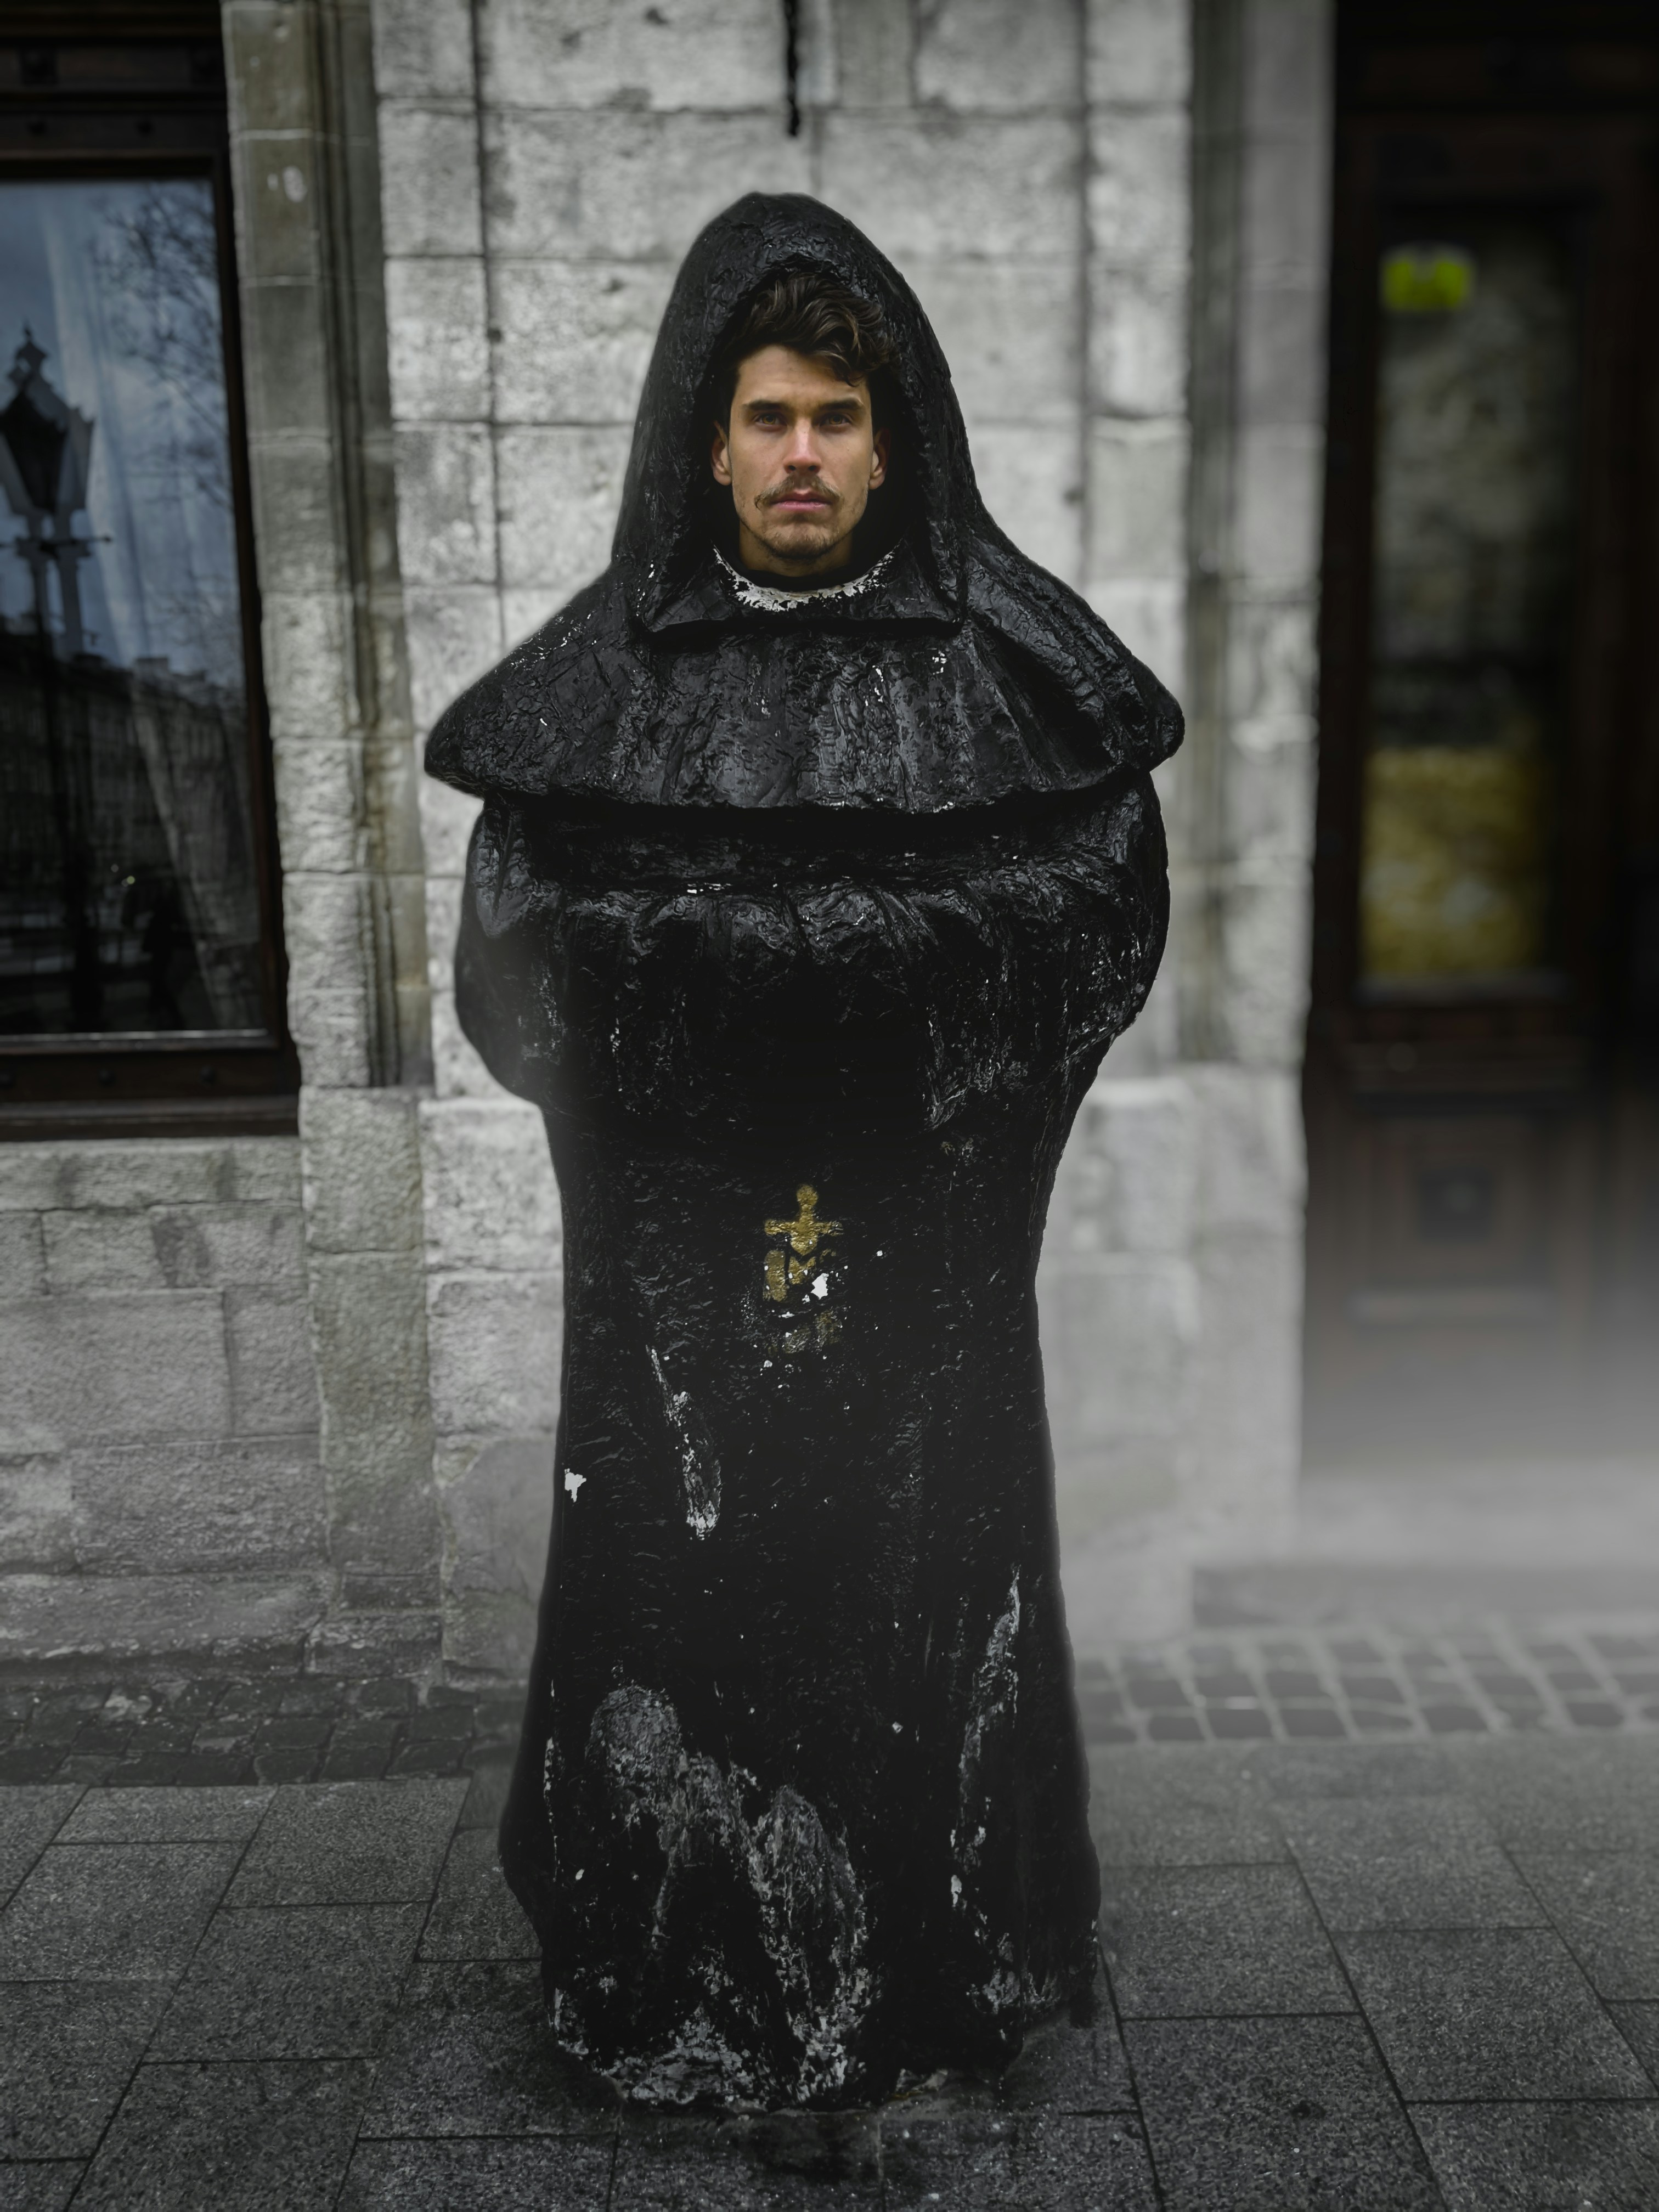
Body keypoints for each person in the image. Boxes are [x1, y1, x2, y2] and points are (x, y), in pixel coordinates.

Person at [426, 192, 1180, 2109]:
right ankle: (678, 1964)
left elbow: (1092, 906)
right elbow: (516, 957)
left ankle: (937, 1962)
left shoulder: (1010, 668)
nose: (800, 457)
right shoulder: (604, 680)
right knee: (681, 1595)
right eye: (766, 418)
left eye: (837, 418)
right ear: (705, 437)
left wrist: (790, 969)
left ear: (892, 435)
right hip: (678, 1295)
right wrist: (793, 975)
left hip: (924, 1272)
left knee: (927, 1580)